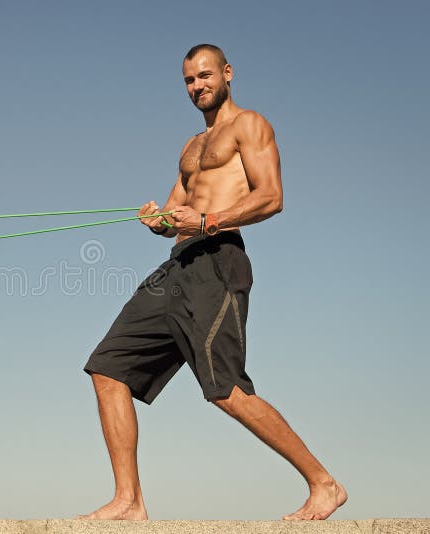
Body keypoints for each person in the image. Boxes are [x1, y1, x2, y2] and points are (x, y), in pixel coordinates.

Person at [81, 44, 347, 521]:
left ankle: (323, 484)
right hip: (178, 262)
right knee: (107, 367)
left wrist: (209, 220)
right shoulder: (190, 146)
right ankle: (129, 502)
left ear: (226, 73)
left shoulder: (251, 125)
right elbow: (174, 211)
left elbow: (272, 197)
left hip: (218, 262)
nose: (197, 86)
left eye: (204, 76)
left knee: (225, 389)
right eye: (188, 80)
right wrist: (158, 220)